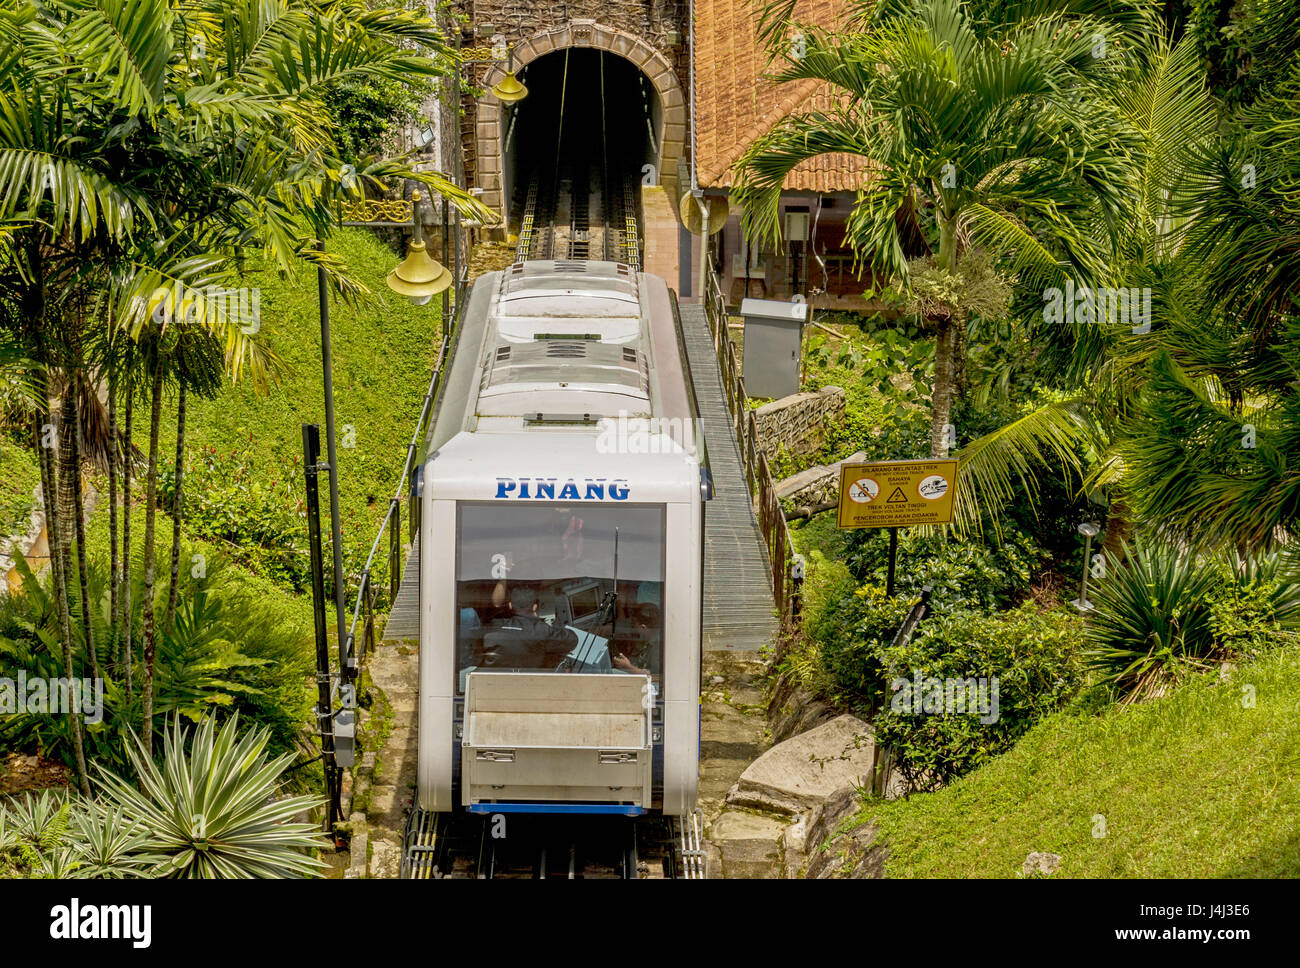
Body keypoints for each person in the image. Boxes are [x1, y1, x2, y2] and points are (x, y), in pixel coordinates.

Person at [482, 584, 578, 669]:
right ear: (535, 607)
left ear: (510, 605)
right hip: (530, 680)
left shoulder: (494, 626)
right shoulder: (541, 630)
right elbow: (572, 640)